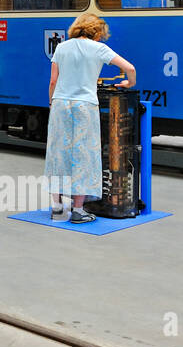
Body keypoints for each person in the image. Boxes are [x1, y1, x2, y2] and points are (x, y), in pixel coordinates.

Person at [46, 13, 136, 224]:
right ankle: (78, 210)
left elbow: (53, 81)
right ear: (97, 32)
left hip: (60, 104)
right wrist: (129, 83)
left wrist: (52, 103)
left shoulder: (62, 47)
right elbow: (129, 68)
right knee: (83, 155)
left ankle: (58, 209)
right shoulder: (98, 49)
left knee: (58, 155)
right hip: (85, 105)